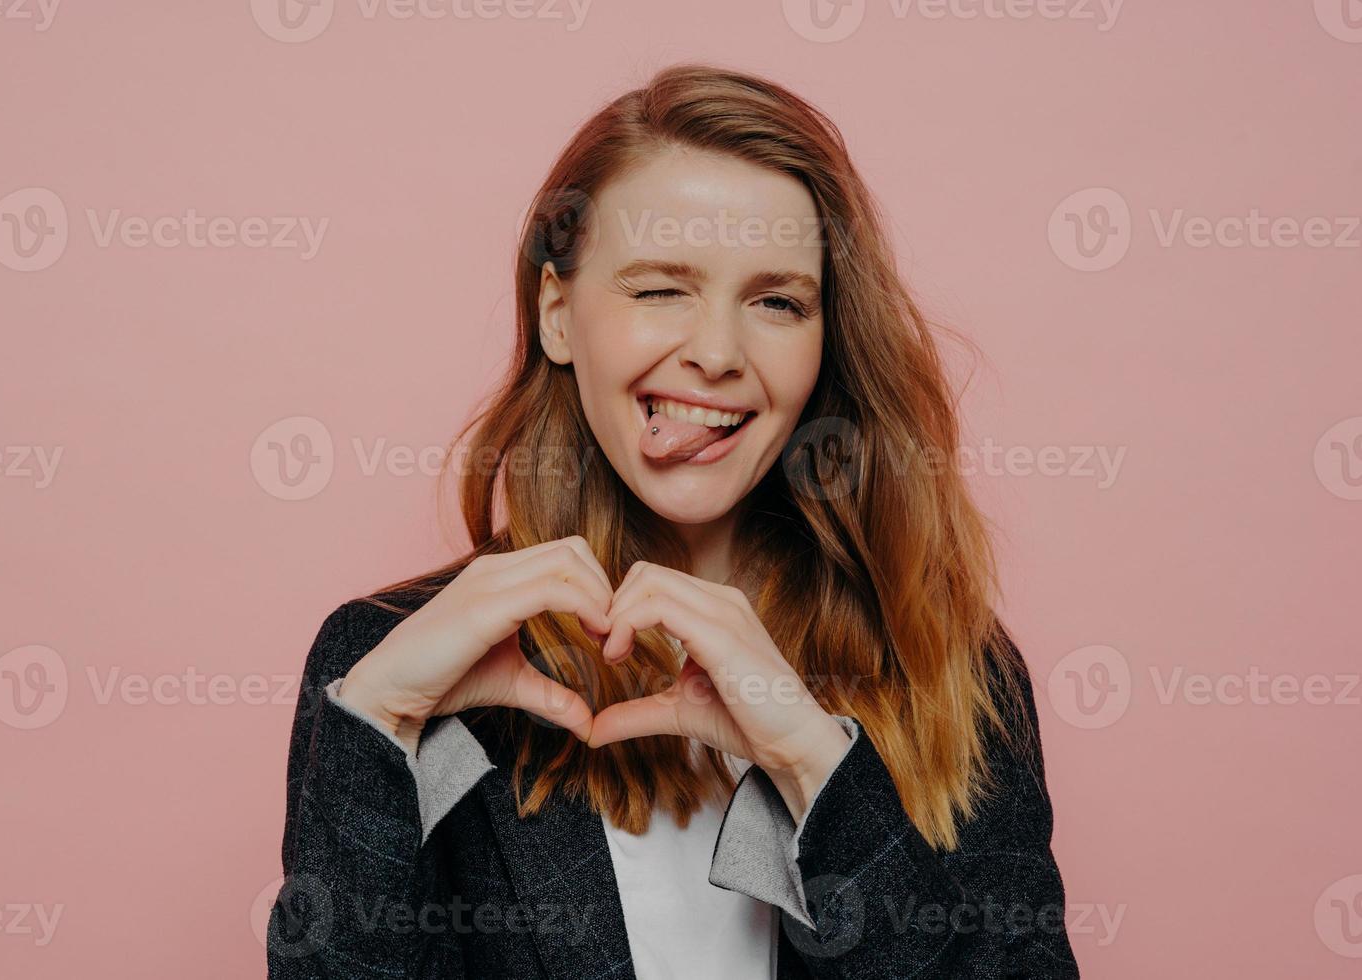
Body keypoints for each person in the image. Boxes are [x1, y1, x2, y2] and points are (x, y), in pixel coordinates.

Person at [268, 62, 1081, 979]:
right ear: (557, 314)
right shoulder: (379, 663)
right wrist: (379, 723)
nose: (719, 354)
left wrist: (817, 767)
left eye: (777, 301)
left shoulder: (955, 666)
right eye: (661, 289)